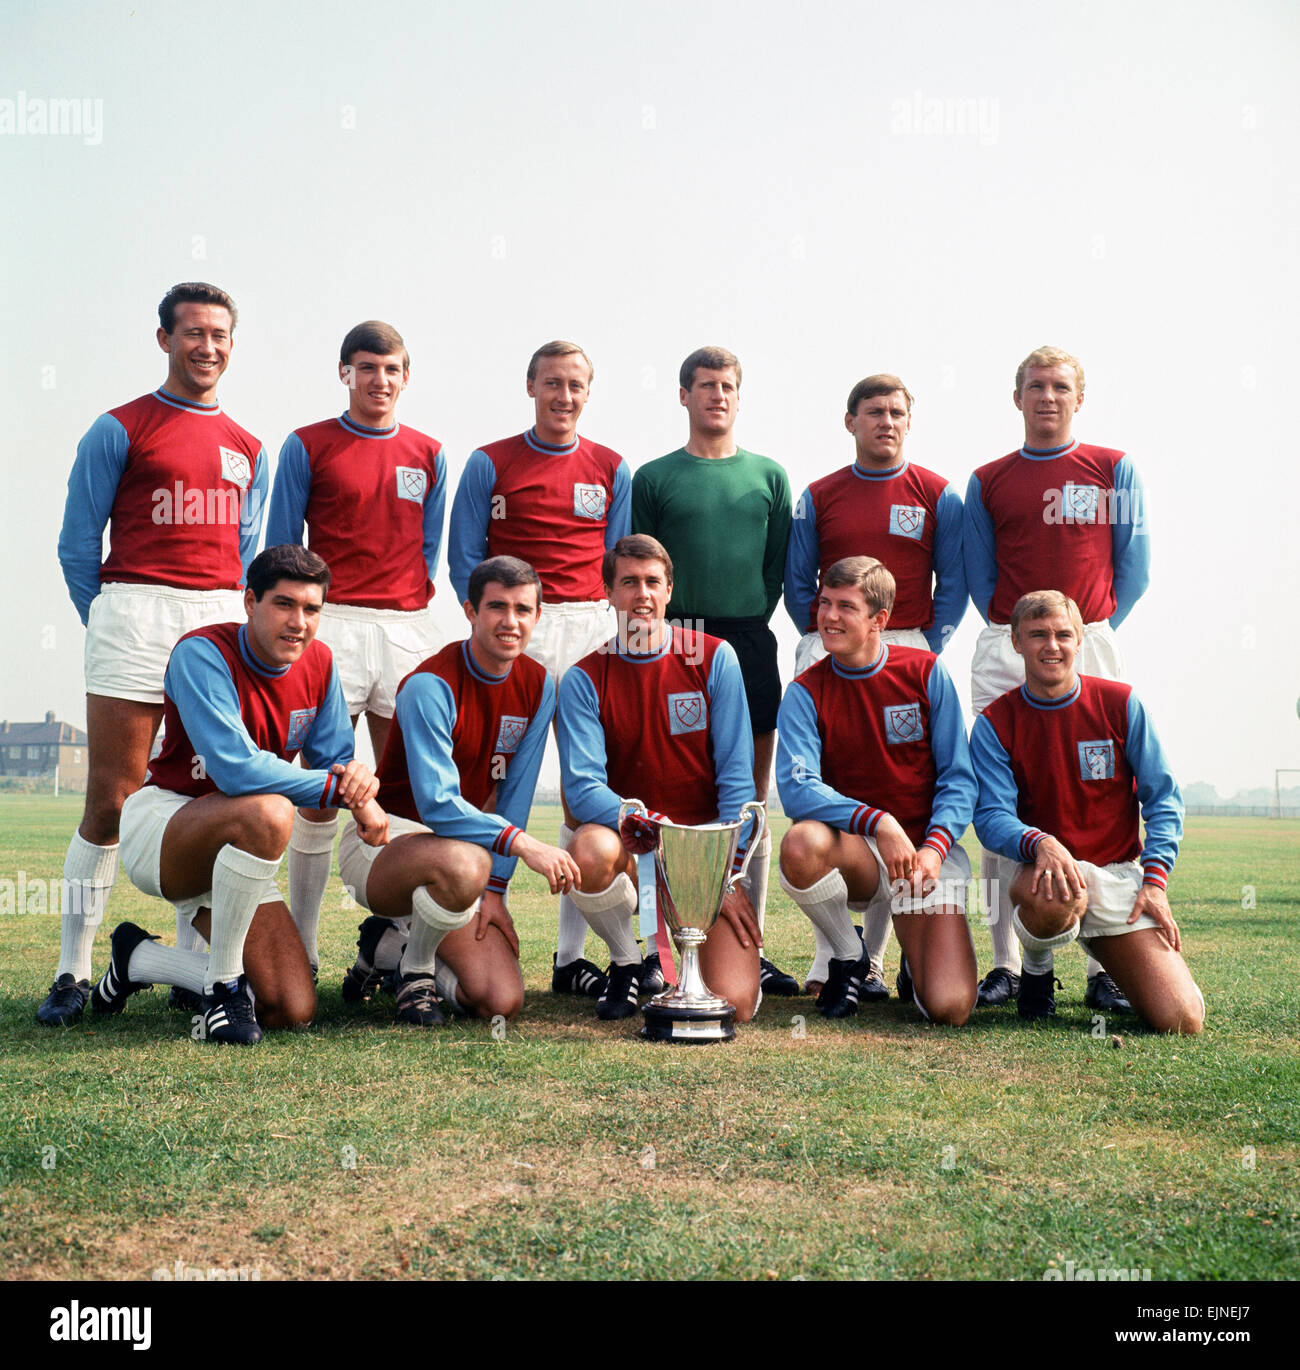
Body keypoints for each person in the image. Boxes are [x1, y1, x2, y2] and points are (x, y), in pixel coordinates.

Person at [44, 282, 268, 1026]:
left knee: (206, 792)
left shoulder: (248, 446)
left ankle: (187, 963)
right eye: (194, 332)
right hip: (135, 607)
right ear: (164, 338)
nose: (208, 346)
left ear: (233, 344)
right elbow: (79, 546)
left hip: (212, 615)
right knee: (111, 798)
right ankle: (73, 971)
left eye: (220, 334)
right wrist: (110, 616)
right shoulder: (119, 428)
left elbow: (245, 554)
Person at [88, 545, 387, 1045]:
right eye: (284, 604)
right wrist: (348, 792)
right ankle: (223, 989)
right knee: (271, 809)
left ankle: (135, 958)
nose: (299, 623)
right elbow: (236, 769)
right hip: (165, 825)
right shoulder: (201, 652)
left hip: (240, 843)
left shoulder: (320, 663)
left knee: (291, 1006)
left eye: (311, 609)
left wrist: (357, 784)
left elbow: (335, 757)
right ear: (250, 602)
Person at [964, 346, 1150, 1012]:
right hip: (1006, 642)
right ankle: (1008, 964)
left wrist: (1085, 630)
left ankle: (1106, 965)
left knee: (1106, 794)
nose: (1048, 396)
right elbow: (981, 579)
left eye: (1060, 386)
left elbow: (1134, 572)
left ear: (1080, 397)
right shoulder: (987, 480)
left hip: (1088, 638)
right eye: (1035, 386)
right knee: (1000, 799)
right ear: (1017, 398)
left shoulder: (1112, 468)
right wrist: (1020, 634)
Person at [447, 340, 630, 1001]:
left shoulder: (611, 466)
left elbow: (621, 565)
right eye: (552, 383)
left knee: (585, 787)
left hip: (586, 626)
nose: (564, 395)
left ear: (589, 391)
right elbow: (465, 556)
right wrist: (498, 626)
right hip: (517, 624)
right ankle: (471, 912)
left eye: (576, 384)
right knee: (497, 778)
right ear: (531, 386)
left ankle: (569, 955)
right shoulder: (490, 462)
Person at [265, 320, 445, 980]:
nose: (380, 380)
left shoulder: (429, 453)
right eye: (367, 367)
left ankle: (393, 942)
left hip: (403, 625)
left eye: (392, 368)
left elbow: (430, 551)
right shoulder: (308, 445)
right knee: (320, 788)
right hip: (330, 623)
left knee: (406, 784)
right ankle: (304, 947)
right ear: (345, 372)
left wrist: (405, 605)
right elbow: (282, 544)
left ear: (406, 376)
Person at [336, 556, 580, 1026]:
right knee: (465, 859)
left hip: (462, 864)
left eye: (523, 610)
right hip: (386, 845)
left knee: (499, 1000)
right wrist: (523, 845)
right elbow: (438, 805)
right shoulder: (429, 685)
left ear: (537, 616)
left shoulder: (538, 684)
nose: (510, 622)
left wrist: (496, 893)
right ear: (470, 611)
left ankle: (386, 948)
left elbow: (516, 792)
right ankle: (415, 972)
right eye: (497, 607)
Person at [784, 373, 967, 996]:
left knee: (946, 1004)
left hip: (908, 639)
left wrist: (924, 646)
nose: (885, 421)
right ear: (850, 421)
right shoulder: (818, 493)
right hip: (840, 648)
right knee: (836, 796)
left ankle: (899, 955)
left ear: (909, 421)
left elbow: (959, 582)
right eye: (872, 411)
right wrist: (828, 630)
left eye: (896, 412)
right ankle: (838, 956)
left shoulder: (939, 493)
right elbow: (796, 584)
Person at [631, 346, 795, 997]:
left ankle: (746, 941)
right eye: (705, 386)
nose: (717, 395)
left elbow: (777, 569)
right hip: (677, 636)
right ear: (684, 395)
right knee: (674, 791)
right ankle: (658, 948)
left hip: (748, 638)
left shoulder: (770, 476)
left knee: (745, 803)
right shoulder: (654, 477)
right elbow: (639, 567)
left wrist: (745, 621)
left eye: (728, 386)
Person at [969, 591, 1202, 1032]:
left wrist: (1154, 882)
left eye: (1062, 634)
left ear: (1080, 641)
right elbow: (990, 816)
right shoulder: (996, 722)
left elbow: (1163, 798)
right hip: (1044, 877)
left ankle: (1109, 957)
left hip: (1117, 875)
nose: (1051, 646)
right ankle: (1036, 972)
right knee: (1056, 890)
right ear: (1016, 642)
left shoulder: (1122, 704)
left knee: (1181, 1019)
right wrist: (1039, 841)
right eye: (1037, 635)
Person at [556, 535, 761, 1022]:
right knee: (587, 847)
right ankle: (631, 960)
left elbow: (737, 780)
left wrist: (726, 875)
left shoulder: (715, 657)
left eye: (652, 582)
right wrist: (659, 831)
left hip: (706, 851)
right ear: (608, 592)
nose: (642, 594)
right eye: (628, 582)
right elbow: (584, 790)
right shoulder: (584, 677)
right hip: (636, 846)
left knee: (739, 1004)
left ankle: (688, 957)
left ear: (670, 589)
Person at [776, 557, 978, 1023]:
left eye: (846, 606)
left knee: (949, 1008)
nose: (828, 616)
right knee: (801, 842)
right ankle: (850, 955)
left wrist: (934, 848)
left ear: (879, 620)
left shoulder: (926, 672)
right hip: (861, 856)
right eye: (824, 602)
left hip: (926, 857)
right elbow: (798, 788)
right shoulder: (805, 692)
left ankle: (915, 954)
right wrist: (879, 821)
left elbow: (959, 779)